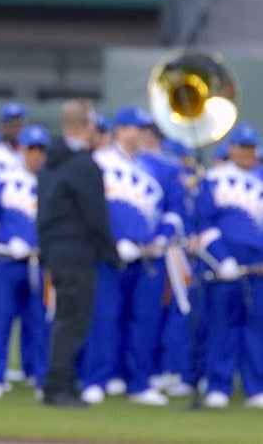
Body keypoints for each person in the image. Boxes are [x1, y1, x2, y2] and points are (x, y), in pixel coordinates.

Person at [83, 106, 184, 407]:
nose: (142, 134)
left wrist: (161, 238)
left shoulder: (160, 167)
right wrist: (111, 242)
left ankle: (139, 383)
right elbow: (87, 210)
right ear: (120, 130)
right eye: (137, 128)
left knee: (145, 320)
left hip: (149, 257)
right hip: (107, 256)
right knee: (105, 317)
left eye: (145, 129)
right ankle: (96, 379)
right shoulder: (97, 162)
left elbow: (175, 211)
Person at [36, 99, 117, 407]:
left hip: (56, 250)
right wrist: (111, 252)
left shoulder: (50, 163)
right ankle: (57, 386)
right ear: (87, 126)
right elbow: (95, 214)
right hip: (78, 252)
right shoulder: (84, 165)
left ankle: (64, 382)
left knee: (64, 317)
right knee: (74, 320)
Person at [194, 123, 263, 409]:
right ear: (231, 149)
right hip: (223, 268)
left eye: (251, 148)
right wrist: (222, 258)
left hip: (257, 268)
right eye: (242, 147)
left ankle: (255, 387)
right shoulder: (214, 179)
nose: (247, 153)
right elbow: (204, 222)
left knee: (257, 328)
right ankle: (218, 385)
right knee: (222, 326)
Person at [0, 124, 50, 400]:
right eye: (32, 149)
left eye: (41, 150)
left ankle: (42, 378)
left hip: (40, 263)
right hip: (7, 262)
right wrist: (8, 240)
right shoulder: (4, 182)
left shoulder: (52, 184)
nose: (37, 155)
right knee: (1, 320)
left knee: (40, 323)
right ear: (22, 150)